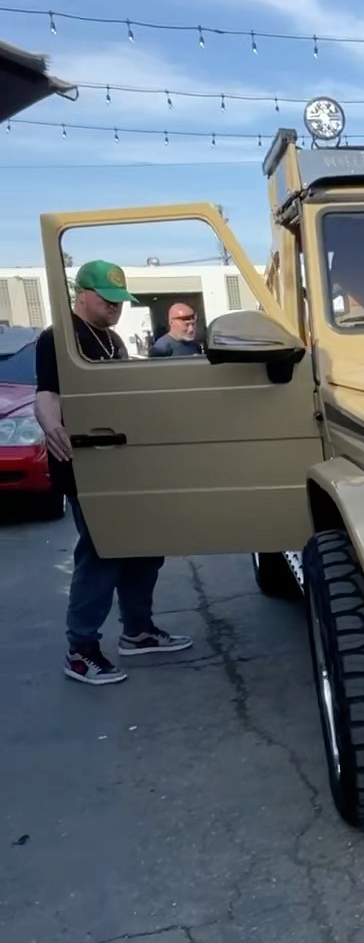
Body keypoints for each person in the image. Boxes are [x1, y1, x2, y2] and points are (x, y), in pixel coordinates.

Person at [34, 260, 193, 687]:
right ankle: (81, 650)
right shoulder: (59, 339)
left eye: (120, 302)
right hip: (88, 462)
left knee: (144, 546)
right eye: (107, 301)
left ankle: (137, 630)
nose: (115, 308)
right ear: (81, 294)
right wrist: (52, 426)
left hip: (125, 460)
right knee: (103, 553)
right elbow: (46, 393)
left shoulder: (112, 338)